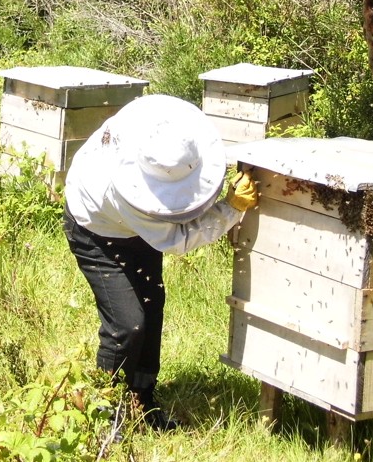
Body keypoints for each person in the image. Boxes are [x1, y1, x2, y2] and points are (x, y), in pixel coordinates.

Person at [62, 93, 257, 431]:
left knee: (152, 305)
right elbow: (177, 238)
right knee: (127, 323)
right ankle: (103, 414)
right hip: (95, 231)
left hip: (130, 225)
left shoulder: (161, 129)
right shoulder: (125, 192)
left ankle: (143, 400)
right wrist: (230, 210)